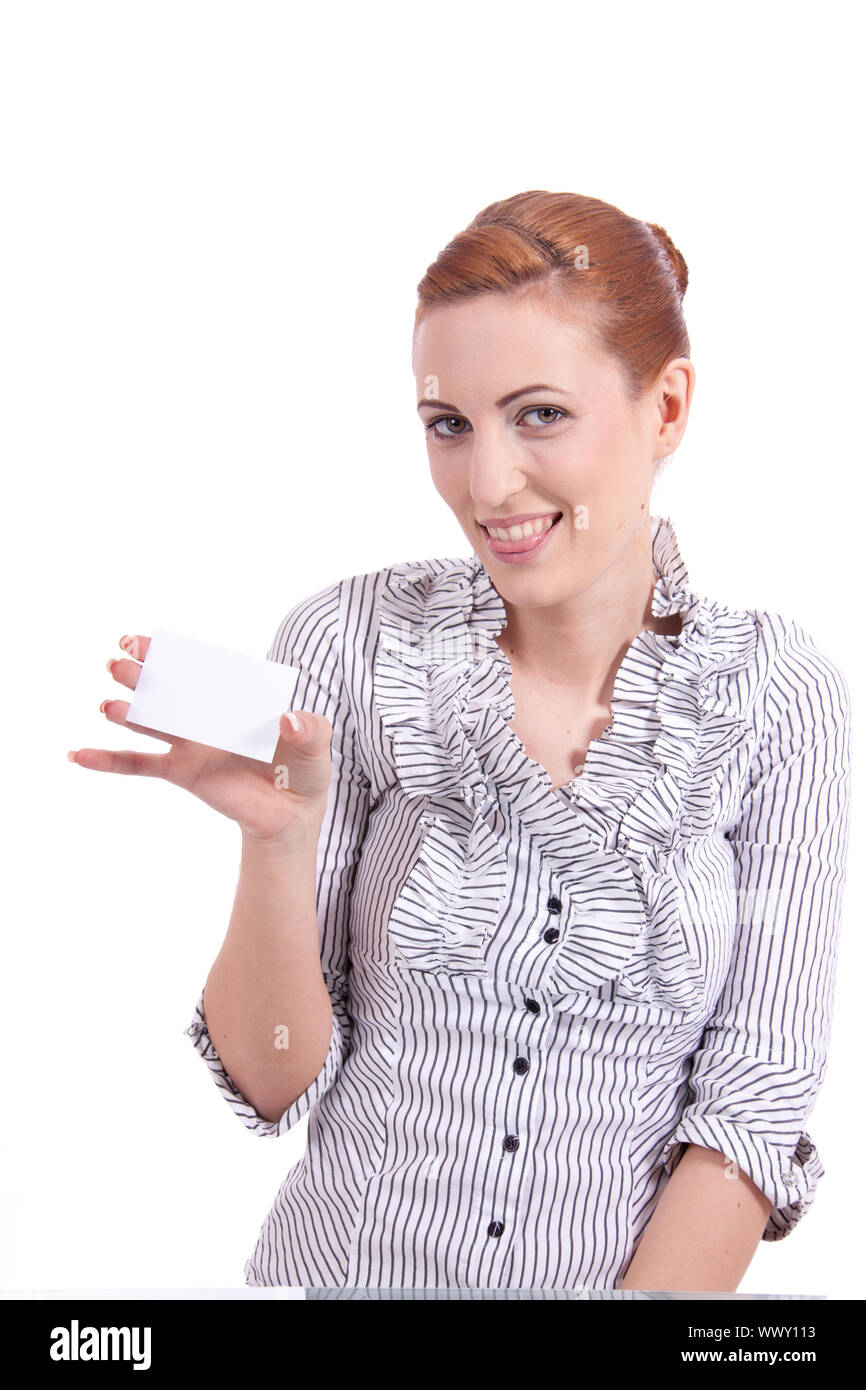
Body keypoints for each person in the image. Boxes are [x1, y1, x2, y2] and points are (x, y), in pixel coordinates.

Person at [68, 190, 852, 1293]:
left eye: (538, 414)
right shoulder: (346, 644)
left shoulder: (780, 699)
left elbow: (756, 1094)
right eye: (449, 425)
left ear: (666, 406)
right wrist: (277, 847)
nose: (486, 485)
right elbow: (272, 1077)